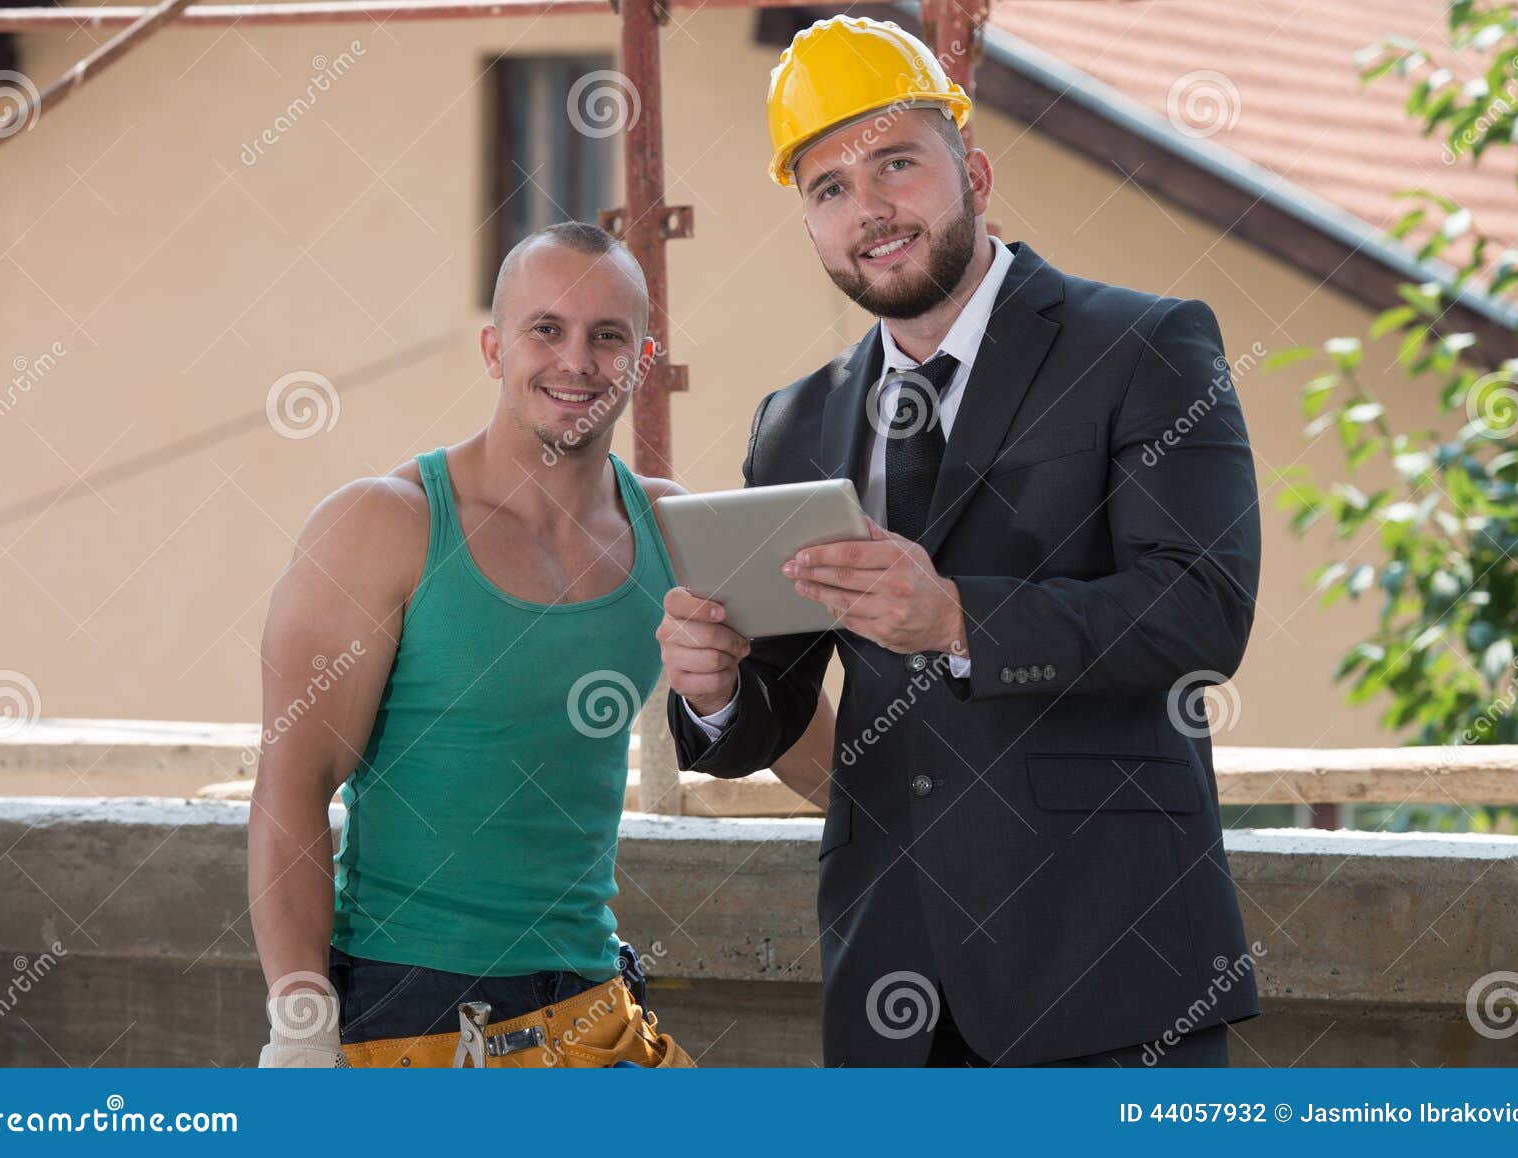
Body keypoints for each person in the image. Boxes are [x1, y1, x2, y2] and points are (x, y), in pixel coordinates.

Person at [658, 15, 1262, 1067]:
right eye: (829, 189)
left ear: (973, 171)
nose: (869, 209)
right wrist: (713, 690)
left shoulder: (1143, 347)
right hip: (892, 991)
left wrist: (957, 619)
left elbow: (1201, 614)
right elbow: (777, 702)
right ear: (809, 225)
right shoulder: (796, 424)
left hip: (1111, 976)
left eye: (896, 163)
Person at [247, 220, 828, 1068]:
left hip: (593, 1008)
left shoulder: (673, 529)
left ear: (642, 360)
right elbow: (290, 789)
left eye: (608, 337)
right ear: (495, 349)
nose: (576, 361)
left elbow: (808, 748)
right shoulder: (382, 525)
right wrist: (301, 1027)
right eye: (546, 329)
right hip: (413, 1016)